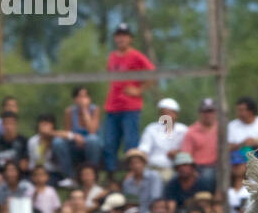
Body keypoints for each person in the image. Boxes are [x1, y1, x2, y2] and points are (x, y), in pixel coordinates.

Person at [103, 23, 154, 173]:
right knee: (109, 144)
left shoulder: (136, 55)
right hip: (112, 106)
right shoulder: (112, 56)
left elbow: (152, 73)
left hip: (130, 107)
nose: (121, 39)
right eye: (118, 35)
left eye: (124, 35)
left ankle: (131, 175)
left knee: (131, 145)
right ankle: (111, 175)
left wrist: (139, 90)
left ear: (130, 38)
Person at [137, 98, 186, 180]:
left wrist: (178, 153)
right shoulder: (151, 129)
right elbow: (143, 151)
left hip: (176, 171)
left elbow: (188, 151)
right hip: (152, 170)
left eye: (169, 113)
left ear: (176, 114)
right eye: (163, 113)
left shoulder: (183, 130)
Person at [61, 86, 104, 172]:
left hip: (92, 146)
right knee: (58, 142)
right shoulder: (69, 111)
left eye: (85, 96)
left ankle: (92, 172)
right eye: (80, 96)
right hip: (75, 144)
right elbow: (67, 133)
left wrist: (84, 110)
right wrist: (75, 137)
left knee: (93, 140)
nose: (82, 99)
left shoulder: (95, 109)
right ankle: (69, 175)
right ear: (75, 99)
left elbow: (92, 131)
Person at [180, 98, 220, 179]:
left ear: (215, 113)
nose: (208, 114)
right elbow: (186, 156)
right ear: (200, 113)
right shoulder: (191, 131)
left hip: (218, 166)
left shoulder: (222, 129)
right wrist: (192, 171)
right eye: (205, 112)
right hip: (198, 167)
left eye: (211, 111)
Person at [121, 148, 164, 213]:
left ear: (144, 163)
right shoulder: (127, 183)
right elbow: (130, 204)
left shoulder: (154, 176)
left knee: (159, 209)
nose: (136, 166)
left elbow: (156, 199)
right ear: (129, 165)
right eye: (132, 163)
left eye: (138, 162)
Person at [0, 110, 29, 174]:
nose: (8, 127)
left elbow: (24, 166)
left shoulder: (24, 142)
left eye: (11, 123)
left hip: (19, 178)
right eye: (6, 124)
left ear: (16, 124)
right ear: (2, 125)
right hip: (1, 178)